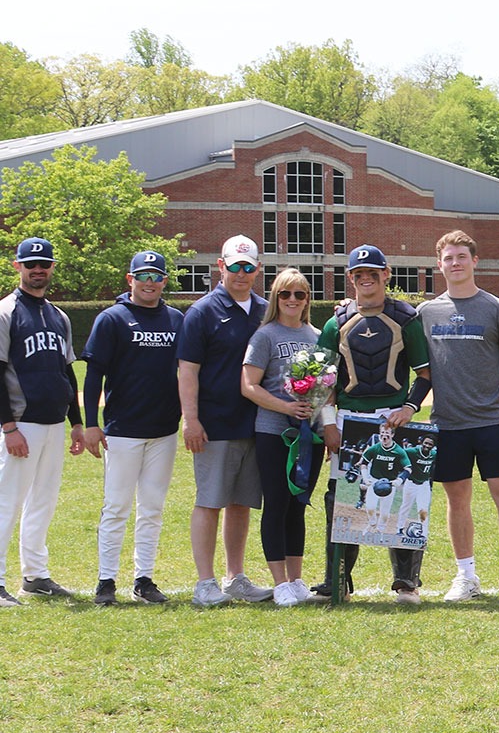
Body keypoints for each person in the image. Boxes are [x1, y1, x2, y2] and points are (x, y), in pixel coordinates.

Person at [419, 230, 499, 602]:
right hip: (447, 423)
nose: (455, 263)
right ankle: (465, 576)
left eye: (461, 257)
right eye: (448, 258)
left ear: (475, 261)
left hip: (491, 421)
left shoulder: (497, 309)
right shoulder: (426, 313)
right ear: (439, 265)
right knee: (457, 500)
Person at [316, 243, 433, 603]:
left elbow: (425, 374)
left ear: (386, 274)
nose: (366, 279)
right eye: (359, 274)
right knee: (344, 501)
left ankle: (406, 583)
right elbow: (322, 382)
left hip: (392, 419)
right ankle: (337, 580)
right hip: (349, 421)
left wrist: (409, 408)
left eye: (372, 273)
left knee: (401, 499)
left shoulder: (406, 319)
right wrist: (329, 425)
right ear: (350, 278)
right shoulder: (336, 323)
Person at [177, 235, 276, 607]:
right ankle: (205, 582)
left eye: (248, 267)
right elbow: (188, 371)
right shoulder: (202, 312)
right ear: (221, 266)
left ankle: (235, 577)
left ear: (257, 270)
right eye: (235, 266)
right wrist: (191, 419)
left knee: (241, 503)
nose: (241, 273)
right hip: (214, 425)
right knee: (209, 502)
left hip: (257, 424)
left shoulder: (265, 310)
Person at [82, 250, 185, 605]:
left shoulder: (175, 319)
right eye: (143, 276)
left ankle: (144, 579)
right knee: (116, 507)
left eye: (156, 276)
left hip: (164, 430)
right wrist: (91, 424)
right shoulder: (112, 319)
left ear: (164, 281)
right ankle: (106, 581)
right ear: (130, 279)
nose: (149, 282)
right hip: (122, 430)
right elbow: (93, 374)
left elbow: (187, 371)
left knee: (152, 508)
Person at [0, 238, 86, 606]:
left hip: (52, 424)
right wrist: (8, 427)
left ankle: (35, 576)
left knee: (43, 502)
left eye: (44, 263)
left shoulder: (58, 316)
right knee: (7, 502)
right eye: (30, 263)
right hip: (21, 424)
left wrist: (76, 423)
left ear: (52, 267)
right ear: (17, 266)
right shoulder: (6, 312)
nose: (38, 269)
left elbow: (67, 371)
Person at [240, 269, 322, 606]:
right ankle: (279, 583)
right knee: (276, 503)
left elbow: (328, 387)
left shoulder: (318, 336)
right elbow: (248, 386)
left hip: (310, 435)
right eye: (285, 294)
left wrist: (319, 409)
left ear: (307, 299)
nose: (292, 300)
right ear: (276, 298)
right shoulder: (265, 336)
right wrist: (286, 407)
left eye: (299, 294)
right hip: (274, 433)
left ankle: (296, 579)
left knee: (298, 505)